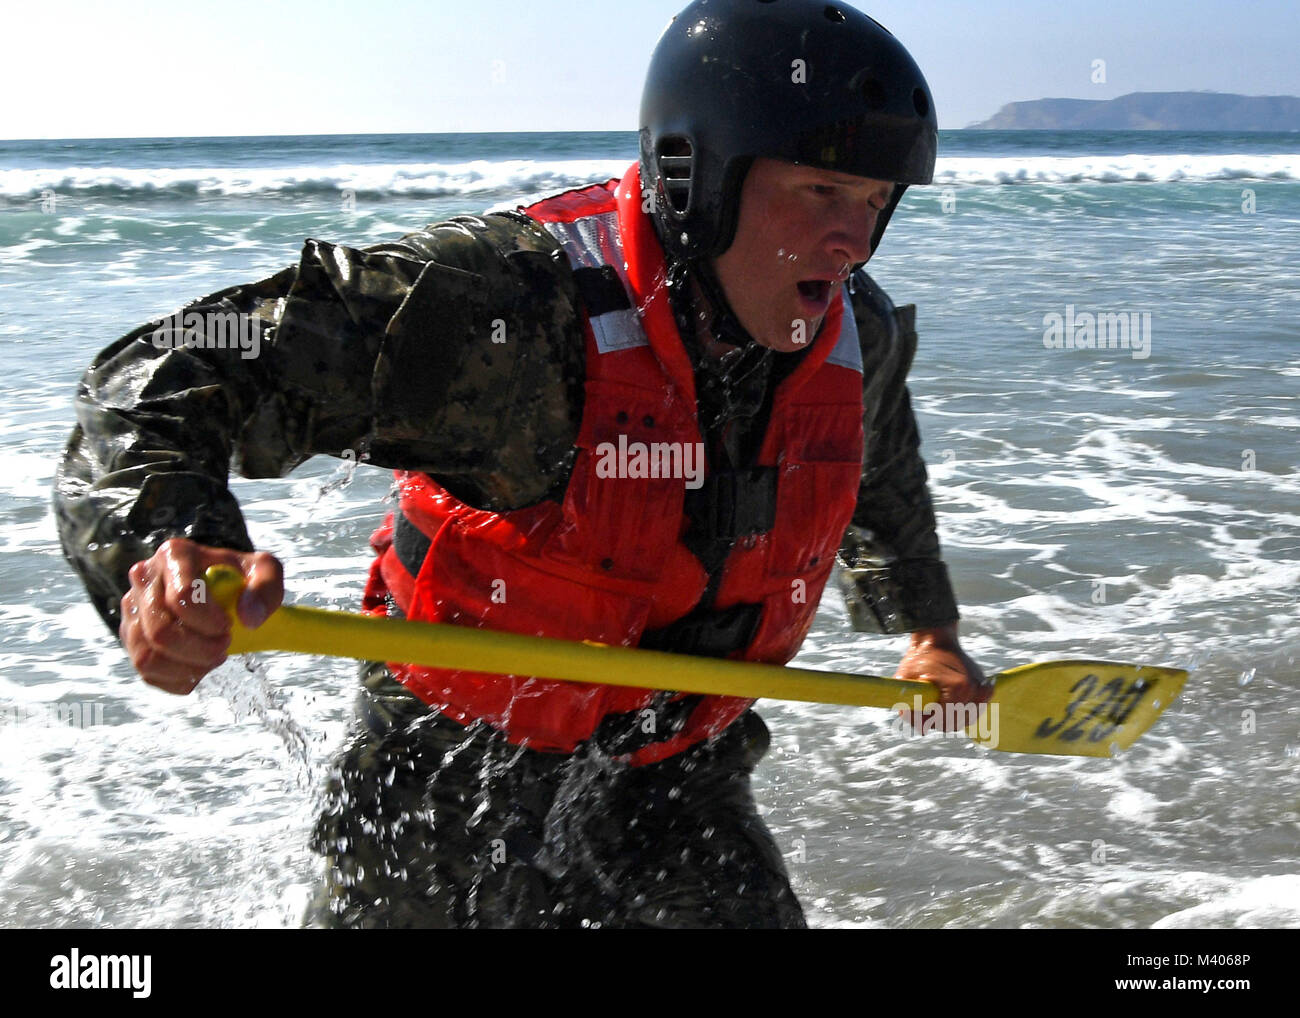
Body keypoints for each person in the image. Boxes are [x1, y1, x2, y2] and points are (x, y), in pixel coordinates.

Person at [54, 0, 988, 928]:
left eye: (875, 202)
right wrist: (169, 543)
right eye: (820, 191)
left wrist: (928, 631)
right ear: (694, 178)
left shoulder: (852, 325)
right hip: (453, 764)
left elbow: (878, 458)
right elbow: (165, 373)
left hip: (677, 772)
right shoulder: (508, 309)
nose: (854, 242)